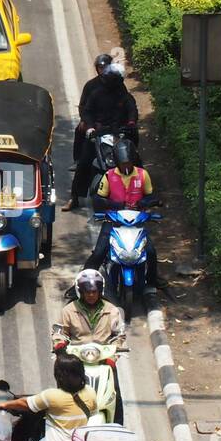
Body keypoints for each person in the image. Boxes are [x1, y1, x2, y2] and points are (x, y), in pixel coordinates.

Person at [53, 269, 127, 424]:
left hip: (103, 361)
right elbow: (59, 332)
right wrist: (60, 345)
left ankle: (118, 429)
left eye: (94, 291)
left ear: (100, 291)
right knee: (63, 396)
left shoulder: (111, 310)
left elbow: (119, 336)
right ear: (81, 292)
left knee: (115, 396)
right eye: (87, 292)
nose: (91, 295)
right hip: (76, 362)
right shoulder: (68, 311)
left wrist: (112, 357)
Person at [84, 139, 160, 288]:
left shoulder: (143, 174)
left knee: (151, 252)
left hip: (137, 222)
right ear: (117, 162)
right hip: (114, 221)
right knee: (99, 252)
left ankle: (152, 282)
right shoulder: (108, 175)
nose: (126, 166)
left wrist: (145, 202)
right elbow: (99, 199)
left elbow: (151, 195)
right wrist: (116, 205)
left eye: (128, 163)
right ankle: (83, 280)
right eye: (123, 163)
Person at [65, 61, 137, 211]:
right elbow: (87, 111)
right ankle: (75, 197)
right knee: (83, 163)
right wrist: (90, 127)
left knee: (135, 160)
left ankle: (140, 195)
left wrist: (131, 123)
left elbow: (132, 108)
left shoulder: (123, 94)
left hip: (119, 134)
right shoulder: (96, 93)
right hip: (99, 133)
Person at [72, 53, 114, 169]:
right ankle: (78, 161)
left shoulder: (118, 84)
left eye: (105, 67)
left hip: (113, 123)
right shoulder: (90, 86)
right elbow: (83, 107)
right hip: (94, 122)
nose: (103, 70)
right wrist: (88, 122)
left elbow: (125, 105)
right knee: (79, 130)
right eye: (100, 67)